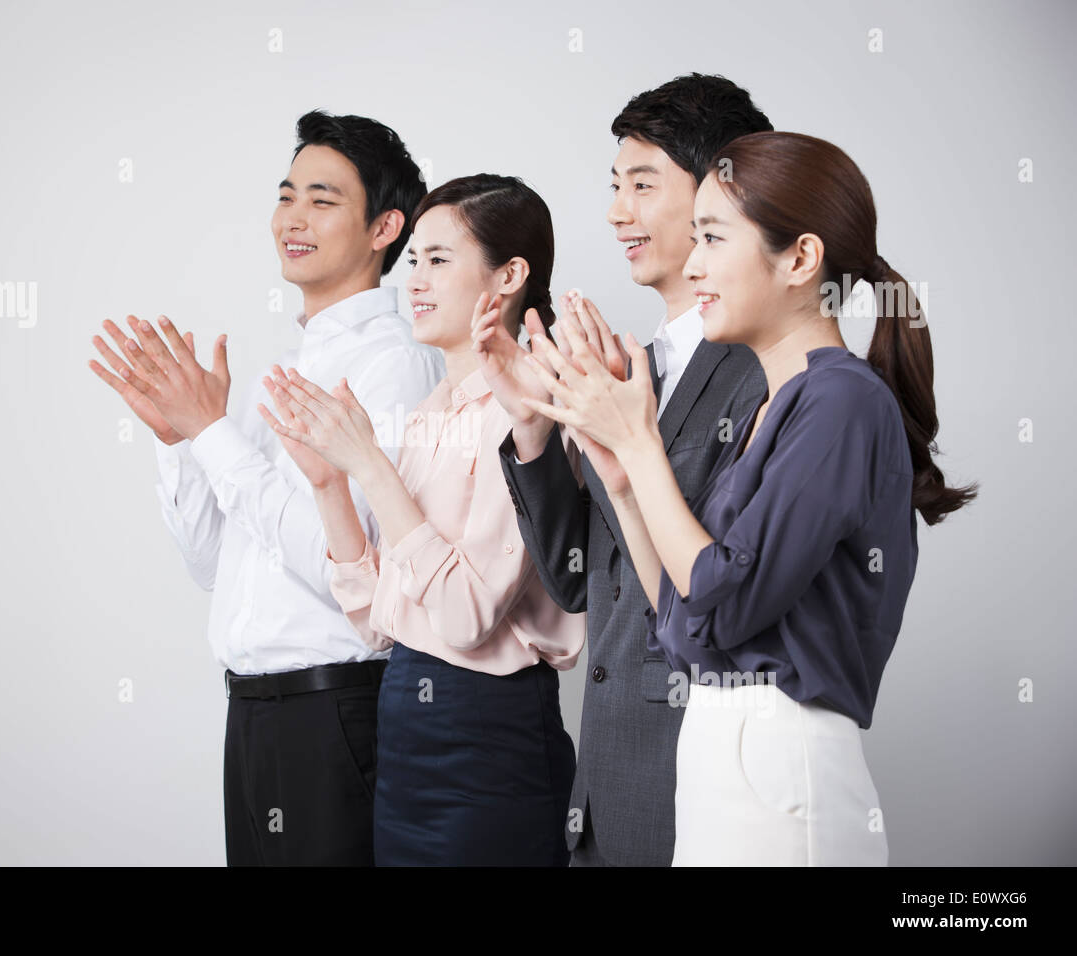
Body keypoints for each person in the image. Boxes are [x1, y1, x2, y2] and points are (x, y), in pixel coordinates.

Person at [520, 130, 976, 865]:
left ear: (799, 259)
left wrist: (641, 443)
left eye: (712, 237)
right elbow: (678, 619)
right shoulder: (773, 405)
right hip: (721, 756)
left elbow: (724, 603)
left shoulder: (840, 401)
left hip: (777, 760)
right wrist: (621, 476)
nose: (693, 264)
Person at [86, 110, 444, 866]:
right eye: (286, 195)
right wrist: (182, 442)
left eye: (322, 198)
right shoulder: (279, 370)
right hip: (253, 715)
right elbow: (214, 568)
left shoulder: (394, 365)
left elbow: (353, 575)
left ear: (386, 228)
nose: (294, 218)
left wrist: (212, 432)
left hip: (336, 712)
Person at [477, 73, 771, 865]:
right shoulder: (633, 367)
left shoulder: (763, 374)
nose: (617, 213)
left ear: (722, 194)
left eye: (643, 185)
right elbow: (580, 581)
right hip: (601, 785)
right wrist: (534, 427)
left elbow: (723, 587)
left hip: (692, 774)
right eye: (614, 186)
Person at [259, 175, 584, 866]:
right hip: (405, 723)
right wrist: (330, 485)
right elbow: (377, 623)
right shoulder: (436, 406)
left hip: (491, 737)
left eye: (439, 259)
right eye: (414, 261)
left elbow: (468, 617)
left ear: (509, 276)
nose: (416, 281)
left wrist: (371, 466)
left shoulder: (530, 408)